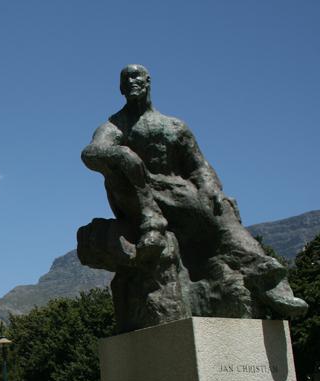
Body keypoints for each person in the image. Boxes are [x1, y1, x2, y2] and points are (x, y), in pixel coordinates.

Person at [79, 64, 306, 326]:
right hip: (135, 197)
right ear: (119, 88)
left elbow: (199, 166)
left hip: (177, 193)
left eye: (136, 76)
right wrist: (121, 153)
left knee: (222, 217)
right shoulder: (114, 126)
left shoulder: (174, 126)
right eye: (125, 79)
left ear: (148, 81)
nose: (132, 82)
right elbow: (91, 152)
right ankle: (151, 224)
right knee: (121, 170)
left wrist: (210, 188)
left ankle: (269, 278)